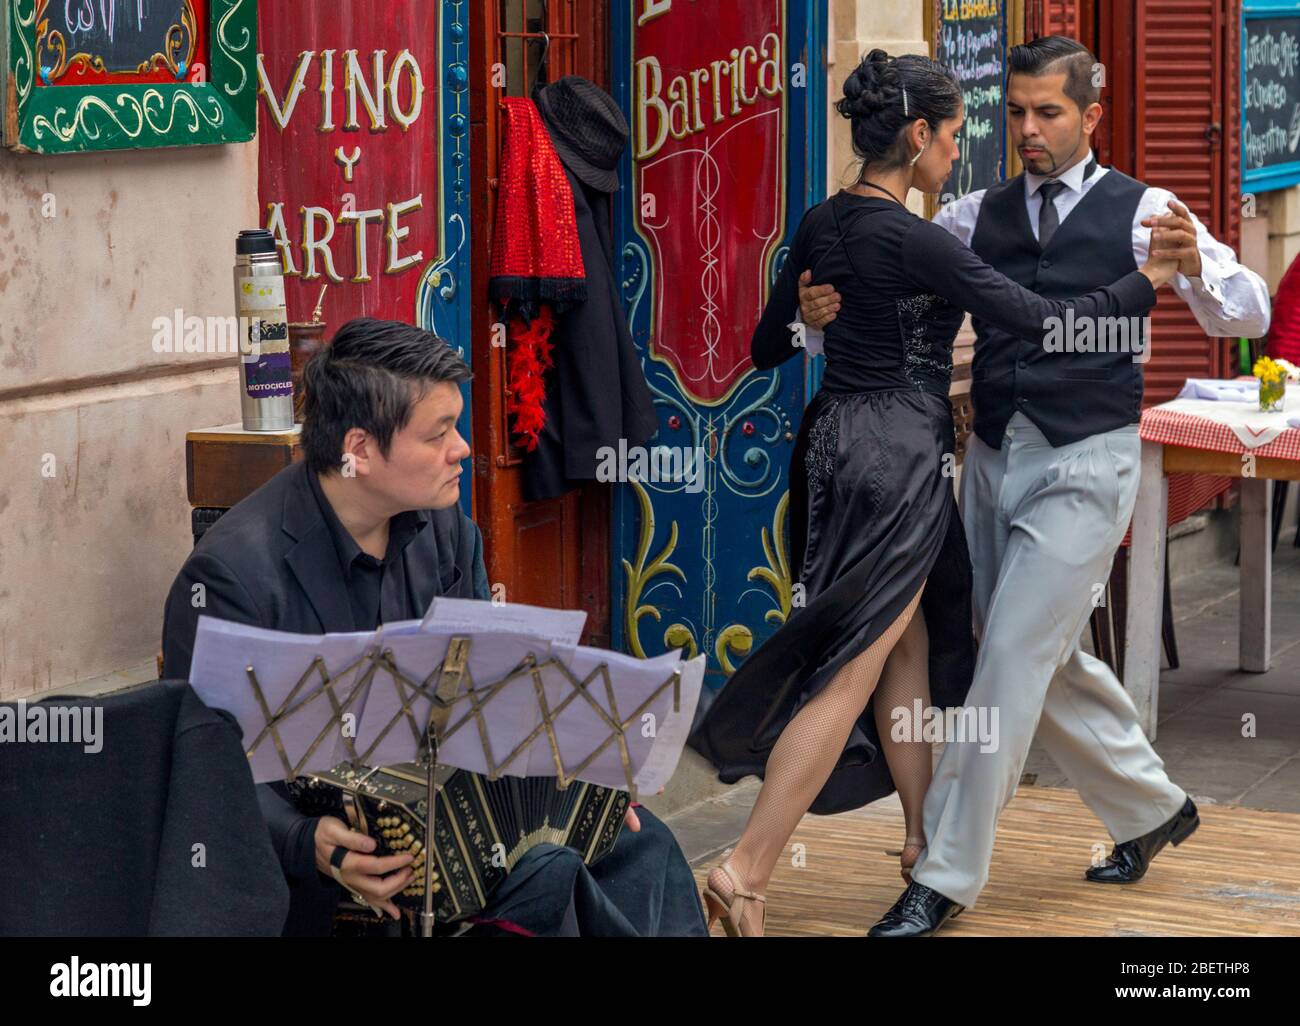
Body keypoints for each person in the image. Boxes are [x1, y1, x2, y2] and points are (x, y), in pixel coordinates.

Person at [686, 47, 1181, 937]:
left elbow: (764, 349)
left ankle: (920, 841)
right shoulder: (915, 236)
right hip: (899, 460)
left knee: (903, 651)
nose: (964, 153)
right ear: (917, 137)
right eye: (955, 136)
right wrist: (1146, 285)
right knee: (855, 668)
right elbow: (1038, 322)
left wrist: (809, 311)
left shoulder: (819, 221)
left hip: (832, 446)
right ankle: (747, 868)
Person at [800, 37, 1271, 937]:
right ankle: (1152, 807)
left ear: (1091, 116)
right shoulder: (974, 213)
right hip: (990, 458)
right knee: (1037, 652)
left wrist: (1202, 264)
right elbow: (883, 286)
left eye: (1047, 112)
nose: (1027, 130)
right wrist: (812, 316)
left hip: (1088, 462)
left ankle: (941, 874)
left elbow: (1245, 309)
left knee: (1008, 660)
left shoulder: (1147, 213)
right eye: (1014, 111)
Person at [162, 318, 706, 937]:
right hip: (333, 875)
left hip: (453, 823)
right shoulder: (232, 576)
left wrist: (585, 773)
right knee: (554, 880)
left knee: (639, 846)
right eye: (439, 433)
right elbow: (201, 766)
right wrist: (306, 841)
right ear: (360, 450)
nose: (463, 449)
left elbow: (495, 691)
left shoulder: (444, 528)